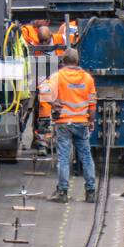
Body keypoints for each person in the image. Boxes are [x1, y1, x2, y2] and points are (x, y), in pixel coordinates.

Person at [45, 47, 97, 201]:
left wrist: (53, 103)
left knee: (63, 158)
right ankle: (91, 192)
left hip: (64, 123)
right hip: (82, 123)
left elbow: (43, 91)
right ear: (77, 61)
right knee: (86, 157)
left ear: (63, 61)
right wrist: (91, 121)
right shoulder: (87, 78)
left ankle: (62, 192)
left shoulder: (58, 76)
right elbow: (92, 103)